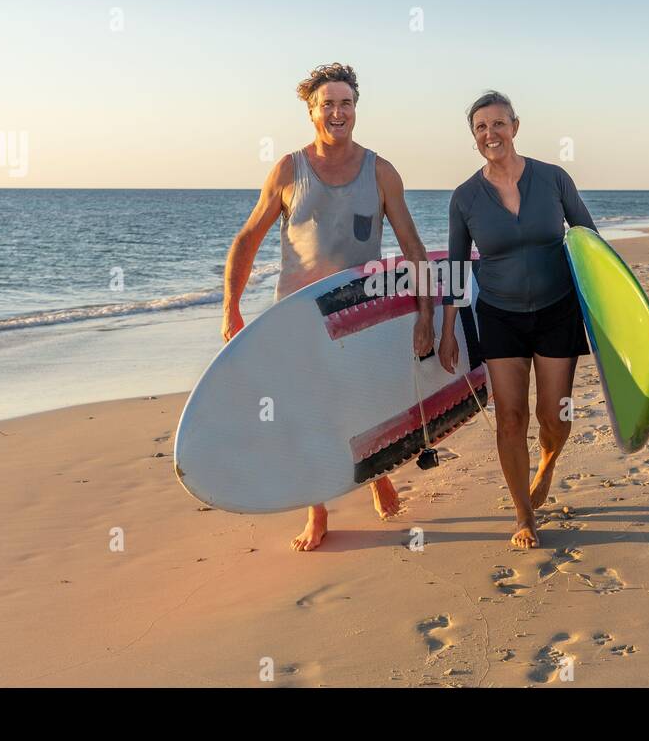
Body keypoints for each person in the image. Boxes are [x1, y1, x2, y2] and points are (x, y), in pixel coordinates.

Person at [222, 63, 435, 551]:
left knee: (365, 404)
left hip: (360, 312)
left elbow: (413, 249)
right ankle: (317, 509)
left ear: (355, 109)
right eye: (328, 104)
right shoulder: (287, 171)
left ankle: (375, 474)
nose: (337, 112)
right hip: (297, 315)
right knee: (303, 412)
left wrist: (425, 314)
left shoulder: (381, 172)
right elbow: (247, 240)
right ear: (312, 112)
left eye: (346, 103)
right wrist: (231, 307)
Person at [438, 91, 595, 549]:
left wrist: (609, 313)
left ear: (515, 126)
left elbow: (588, 239)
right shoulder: (465, 197)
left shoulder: (553, 179)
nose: (491, 134)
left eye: (499, 124)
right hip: (500, 315)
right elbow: (455, 265)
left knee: (553, 415)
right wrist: (448, 329)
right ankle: (523, 514)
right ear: (474, 137)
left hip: (557, 310)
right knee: (509, 416)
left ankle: (547, 463)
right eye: (482, 128)